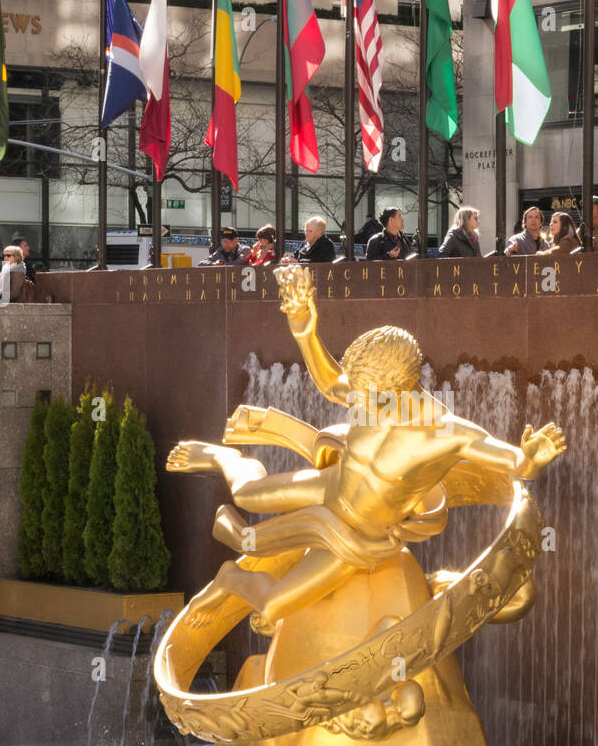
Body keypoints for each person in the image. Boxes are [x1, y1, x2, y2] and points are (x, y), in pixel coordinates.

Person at [169, 263, 566, 631]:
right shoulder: (373, 395)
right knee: (245, 495)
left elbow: (511, 462)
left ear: (399, 386)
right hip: (330, 486)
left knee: (272, 606)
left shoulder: (445, 431)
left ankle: (229, 579)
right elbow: (329, 383)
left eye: (366, 393)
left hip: (358, 536)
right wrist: (305, 330)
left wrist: (530, 458)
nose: (354, 398)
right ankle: (226, 457)